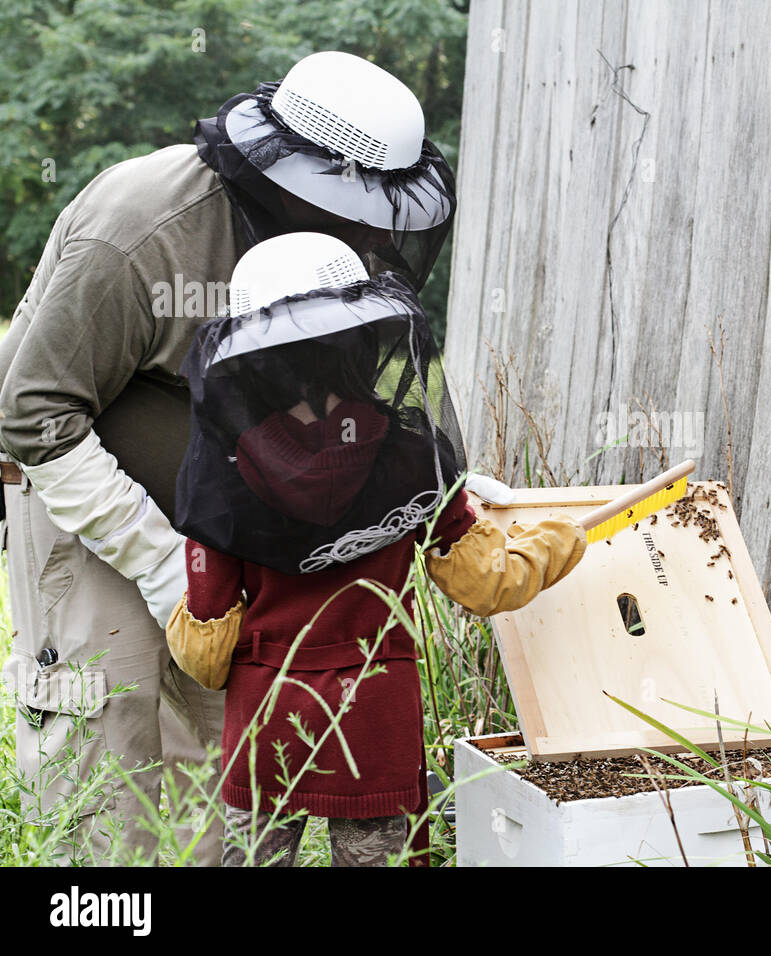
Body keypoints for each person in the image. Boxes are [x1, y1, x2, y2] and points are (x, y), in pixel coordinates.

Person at [0, 50, 457, 864]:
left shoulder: (354, 251)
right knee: (111, 749)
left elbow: (400, 399)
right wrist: (161, 563)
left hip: (244, 522)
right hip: (87, 485)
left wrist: (454, 496)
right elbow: (31, 413)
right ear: (281, 177)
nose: (370, 235)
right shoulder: (143, 225)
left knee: (226, 767)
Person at [164, 233, 586, 866]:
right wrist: (560, 533)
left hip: (267, 716)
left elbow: (206, 651)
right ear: (362, 334)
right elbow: (487, 584)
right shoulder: (409, 450)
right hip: (373, 715)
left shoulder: (223, 472)